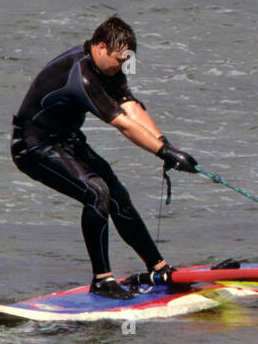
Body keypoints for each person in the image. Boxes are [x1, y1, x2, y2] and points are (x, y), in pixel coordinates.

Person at [10, 15, 200, 298]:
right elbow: (123, 123)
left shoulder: (109, 70)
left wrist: (165, 145)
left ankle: (158, 267)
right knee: (96, 191)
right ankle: (101, 280)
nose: (121, 67)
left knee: (118, 195)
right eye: (118, 60)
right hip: (33, 146)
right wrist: (162, 152)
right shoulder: (81, 75)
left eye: (125, 62)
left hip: (68, 140)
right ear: (100, 47)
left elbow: (131, 108)